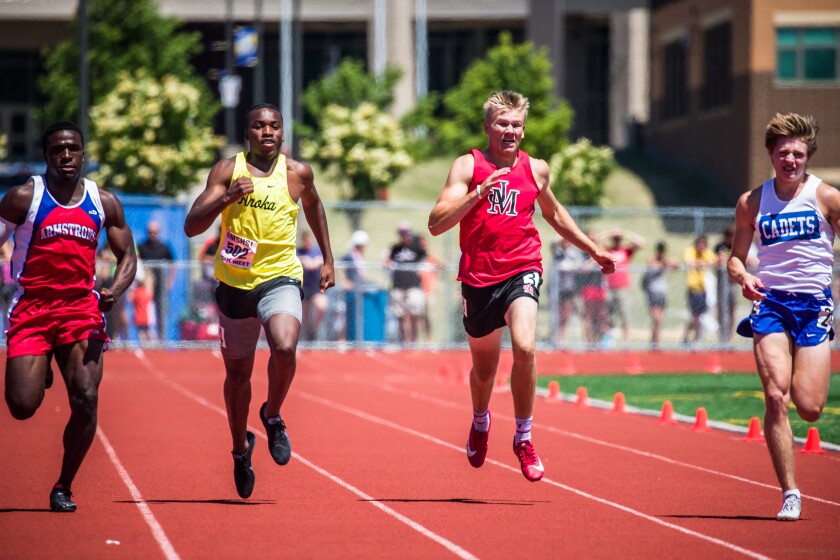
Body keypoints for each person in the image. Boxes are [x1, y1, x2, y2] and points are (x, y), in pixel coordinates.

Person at [427, 90, 615, 482]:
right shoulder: (468, 166)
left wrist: (593, 249)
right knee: (484, 372)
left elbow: (555, 214)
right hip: (479, 278)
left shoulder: (537, 169)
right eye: (502, 123)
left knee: (526, 347)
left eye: (516, 124)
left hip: (523, 267)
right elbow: (436, 222)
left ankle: (524, 437)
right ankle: (481, 420)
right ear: (487, 127)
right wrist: (479, 192)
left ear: (524, 130)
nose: (509, 130)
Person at [184, 103, 334, 499]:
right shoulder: (226, 171)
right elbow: (191, 226)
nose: (267, 132)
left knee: (284, 346)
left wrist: (328, 259)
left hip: (280, 277)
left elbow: (314, 207)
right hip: (234, 285)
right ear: (247, 133)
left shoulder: (297, 173)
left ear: (282, 133)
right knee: (238, 377)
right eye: (258, 126)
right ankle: (240, 450)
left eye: (274, 126)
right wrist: (227, 198)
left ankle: (272, 414)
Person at [0, 120, 137, 512]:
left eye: (73, 148)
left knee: (86, 398)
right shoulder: (23, 198)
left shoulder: (103, 201)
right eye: (58, 149)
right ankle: (41, 361)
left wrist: (115, 289)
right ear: (46, 155)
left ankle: (64, 486)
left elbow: (128, 255)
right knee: (21, 407)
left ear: (82, 153)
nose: (66, 155)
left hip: (81, 308)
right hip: (33, 309)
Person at [728, 112, 840, 521]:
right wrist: (744, 276)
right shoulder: (752, 202)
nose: (790, 160)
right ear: (771, 155)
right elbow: (735, 259)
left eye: (798, 154)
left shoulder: (827, 197)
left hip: (813, 307)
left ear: (807, 157)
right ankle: (790, 492)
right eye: (783, 153)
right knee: (776, 396)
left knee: (809, 408)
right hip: (771, 303)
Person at [599, 229, 644, 343]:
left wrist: (625, 234)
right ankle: (609, 339)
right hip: (609, 287)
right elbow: (596, 241)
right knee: (607, 315)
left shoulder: (626, 251)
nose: (616, 240)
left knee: (625, 315)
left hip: (623, 288)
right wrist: (610, 233)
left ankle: (626, 342)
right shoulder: (608, 251)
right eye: (615, 239)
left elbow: (640, 243)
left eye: (618, 239)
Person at [386, 222, 427, 344]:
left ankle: (413, 341)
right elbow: (388, 261)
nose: (405, 237)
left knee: (414, 314)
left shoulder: (416, 248)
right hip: (398, 285)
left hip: (413, 285)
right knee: (401, 315)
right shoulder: (395, 248)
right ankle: (405, 342)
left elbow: (427, 257)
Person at [136, 220, 174, 340]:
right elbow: (137, 262)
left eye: (154, 232)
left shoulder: (164, 247)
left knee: (160, 312)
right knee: (144, 312)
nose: (152, 235)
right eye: (150, 232)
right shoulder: (141, 247)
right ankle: (146, 339)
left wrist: (169, 281)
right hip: (146, 286)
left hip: (160, 286)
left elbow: (173, 264)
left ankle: (161, 339)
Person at [641, 241, 678, 349]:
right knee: (656, 318)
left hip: (662, 292)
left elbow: (675, 265)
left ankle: (656, 342)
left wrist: (667, 262)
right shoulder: (652, 260)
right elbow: (652, 264)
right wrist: (664, 263)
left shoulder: (665, 261)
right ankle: (654, 342)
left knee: (660, 319)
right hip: (652, 292)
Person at [550, 236, 585, 345]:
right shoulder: (558, 252)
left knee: (566, 316)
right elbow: (552, 242)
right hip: (557, 289)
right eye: (564, 241)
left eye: (567, 241)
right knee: (556, 316)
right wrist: (564, 235)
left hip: (570, 288)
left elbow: (580, 267)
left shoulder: (574, 253)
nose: (565, 243)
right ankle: (556, 339)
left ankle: (563, 339)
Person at [682, 234, 717, 345]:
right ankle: (694, 339)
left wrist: (701, 263)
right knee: (695, 316)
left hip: (703, 289)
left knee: (700, 316)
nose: (701, 246)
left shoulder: (706, 253)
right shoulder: (690, 251)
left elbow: (715, 261)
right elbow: (689, 262)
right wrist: (701, 263)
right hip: (693, 289)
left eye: (704, 244)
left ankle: (691, 338)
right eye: (700, 244)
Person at [297, 229, 328, 341]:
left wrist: (317, 261)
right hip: (303, 288)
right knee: (304, 314)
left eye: (309, 240)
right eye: (305, 241)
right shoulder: (298, 252)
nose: (307, 243)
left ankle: (314, 330)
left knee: (321, 306)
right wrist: (303, 260)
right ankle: (306, 336)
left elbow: (323, 260)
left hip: (315, 288)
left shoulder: (317, 251)